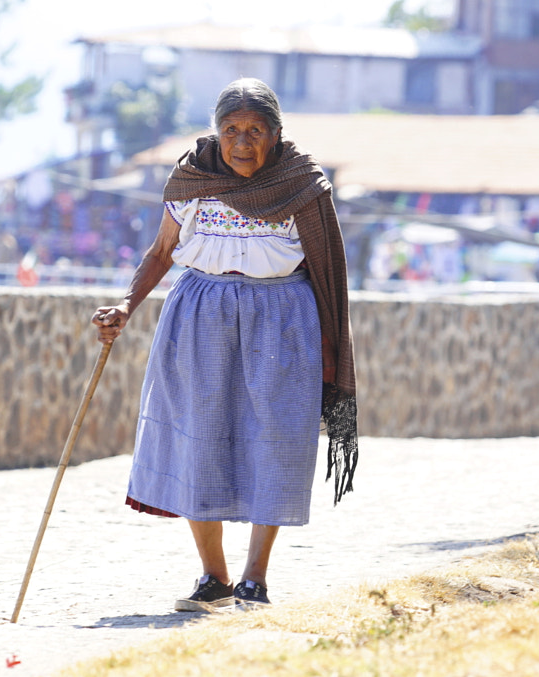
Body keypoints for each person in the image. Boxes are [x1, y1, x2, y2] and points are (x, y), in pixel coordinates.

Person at [92, 78, 358, 612]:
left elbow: (327, 270)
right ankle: (214, 576)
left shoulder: (302, 184)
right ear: (216, 133)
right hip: (199, 314)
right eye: (231, 130)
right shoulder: (192, 179)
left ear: (277, 135)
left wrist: (332, 346)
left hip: (281, 318)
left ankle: (254, 577)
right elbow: (161, 253)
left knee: (278, 438)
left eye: (255, 131)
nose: (242, 142)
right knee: (199, 436)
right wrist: (125, 305)